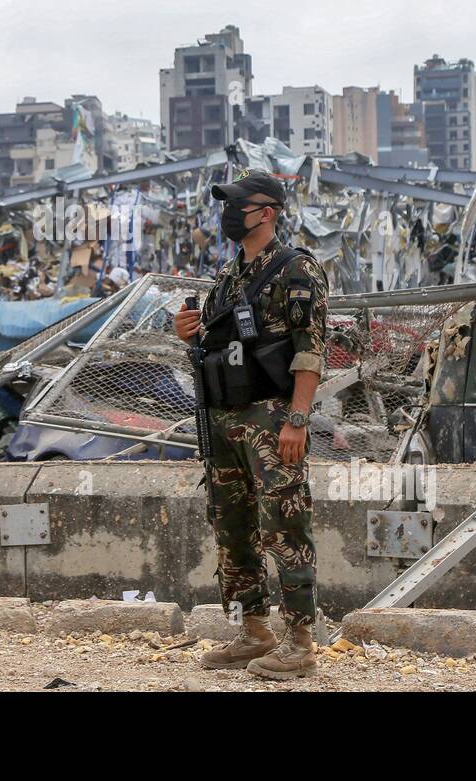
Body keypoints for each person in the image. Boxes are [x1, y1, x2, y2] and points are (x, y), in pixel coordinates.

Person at [173, 169, 328, 679]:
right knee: (232, 528)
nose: (228, 213)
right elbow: (217, 348)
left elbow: (310, 351)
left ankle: (300, 642)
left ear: (268, 211)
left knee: (284, 526)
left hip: (271, 416)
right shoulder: (226, 279)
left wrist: (298, 420)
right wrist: (186, 334)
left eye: (238, 204)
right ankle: (254, 632)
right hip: (223, 421)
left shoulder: (295, 270)